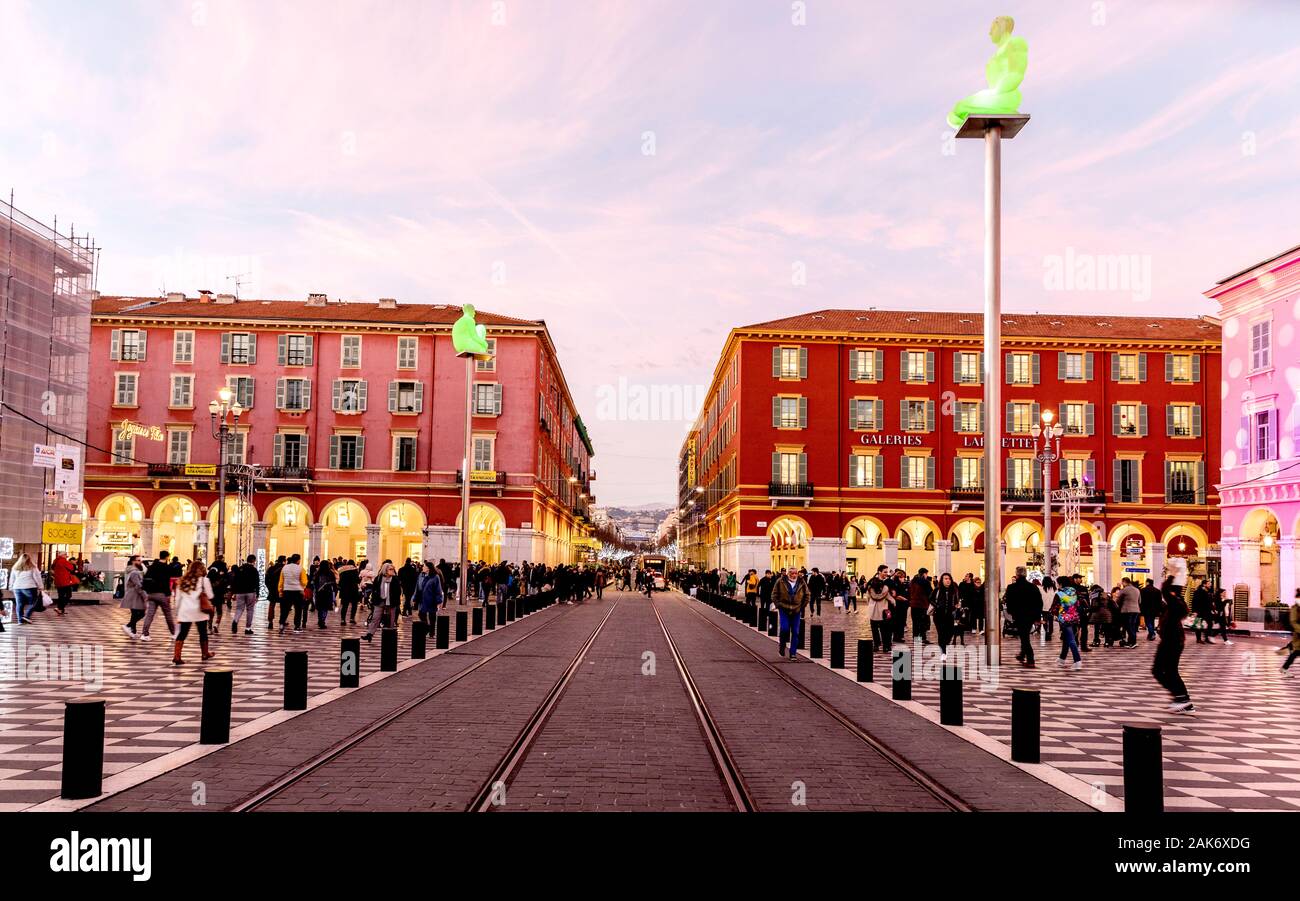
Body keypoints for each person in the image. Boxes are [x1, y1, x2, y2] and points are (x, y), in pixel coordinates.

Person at [1153, 577, 1194, 713]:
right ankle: (1181, 699)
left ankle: (1182, 699)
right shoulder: (1176, 604)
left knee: (1164, 671)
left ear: (1172, 593)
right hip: (1170, 641)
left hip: (1172, 642)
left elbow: (1164, 590)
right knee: (1165, 671)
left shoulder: (1176, 603)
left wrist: (1171, 575)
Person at [172, 560, 216, 666]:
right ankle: (205, 653)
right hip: (199, 611)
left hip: (185, 611)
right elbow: (210, 596)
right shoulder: (204, 580)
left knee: (183, 633)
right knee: (202, 632)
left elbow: (178, 599)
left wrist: (177, 613)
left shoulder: (182, 580)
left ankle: (177, 656)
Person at [772, 565, 809, 659]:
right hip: (784, 609)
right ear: (788, 573)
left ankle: (793, 653)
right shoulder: (780, 581)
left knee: (795, 632)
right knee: (784, 629)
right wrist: (778, 605)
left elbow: (807, 594)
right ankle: (782, 646)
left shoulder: (801, 582)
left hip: (796, 610)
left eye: (795, 573)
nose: (794, 575)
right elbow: (774, 594)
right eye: (792, 573)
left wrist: (802, 606)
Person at [140, 550, 178, 641]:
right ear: (167, 557)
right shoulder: (166, 568)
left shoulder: (152, 566)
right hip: (162, 594)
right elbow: (166, 583)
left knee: (150, 614)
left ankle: (144, 634)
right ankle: (174, 633)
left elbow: (146, 579)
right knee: (168, 614)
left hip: (151, 594)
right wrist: (168, 595)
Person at [1005, 566, 1040, 667]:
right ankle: (1022, 654)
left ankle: (1031, 660)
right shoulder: (1033, 587)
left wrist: (1012, 612)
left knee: (1024, 637)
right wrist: (1037, 617)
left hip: (1019, 616)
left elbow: (1009, 602)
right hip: (1030, 616)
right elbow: (1039, 603)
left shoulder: (1011, 587)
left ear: (1017, 575)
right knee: (1024, 635)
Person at [361, 561, 400, 641]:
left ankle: (389, 635)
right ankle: (370, 634)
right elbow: (374, 589)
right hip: (380, 601)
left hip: (391, 602)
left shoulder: (395, 579)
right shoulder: (379, 578)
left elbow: (398, 591)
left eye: (393, 569)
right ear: (385, 570)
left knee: (391, 619)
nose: (392, 571)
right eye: (390, 569)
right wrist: (373, 599)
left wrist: (395, 600)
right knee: (375, 618)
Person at [1054, 579, 1083, 670]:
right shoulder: (1075, 593)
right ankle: (1062, 658)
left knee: (1071, 640)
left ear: (1061, 584)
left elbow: (1054, 607)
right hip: (1075, 618)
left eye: (1058, 584)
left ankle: (1077, 661)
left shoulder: (1059, 594)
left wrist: (1055, 614)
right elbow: (1078, 605)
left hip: (1064, 619)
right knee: (1067, 638)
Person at [228, 554, 260, 635]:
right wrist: (258, 593)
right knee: (250, 610)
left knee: (239, 609)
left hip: (240, 592)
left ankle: (235, 621)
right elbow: (257, 582)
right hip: (250, 592)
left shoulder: (240, 569)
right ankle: (248, 628)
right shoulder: (254, 570)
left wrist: (234, 592)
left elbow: (235, 581)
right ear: (253, 561)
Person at [278, 553, 308, 634]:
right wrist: (302, 587)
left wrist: (280, 591)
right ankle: (297, 626)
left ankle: (281, 624)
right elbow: (304, 582)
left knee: (285, 609)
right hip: (298, 592)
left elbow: (281, 581)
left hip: (286, 591)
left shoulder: (284, 568)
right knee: (298, 610)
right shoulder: (301, 569)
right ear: (298, 560)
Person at [118, 555, 147, 638]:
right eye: (138, 560)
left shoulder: (133, 570)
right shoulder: (134, 572)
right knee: (141, 613)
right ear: (133, 561)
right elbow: (139, 585)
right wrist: (145, 596)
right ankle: (128, 626)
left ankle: (133, 631)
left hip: (133, 595)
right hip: (134, 595)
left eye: (140, 560)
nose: (140, 562)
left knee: (135, 613)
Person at [932, 573, 959, 660]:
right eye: (946, 579)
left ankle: (945, 645)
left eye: (949, 579)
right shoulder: (938, 590)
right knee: (941, 633)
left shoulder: (954, 590)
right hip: (938, 616)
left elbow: (956, 601)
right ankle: (943, 652)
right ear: (942, 580)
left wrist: (956, 605)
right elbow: (930, 599)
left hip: (950, 616)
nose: (948, 580)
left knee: (950, 633)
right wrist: (937, 605)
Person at [10, 552, 42, 624]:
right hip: (29, 587)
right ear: (29, 559)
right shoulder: (33, 567)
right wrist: (40, 586)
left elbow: (12, 578)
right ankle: (27, 616)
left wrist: (11, 586)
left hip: (17, 588)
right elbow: (37, 577)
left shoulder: (15, 567)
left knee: (19, 604)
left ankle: (20, 621)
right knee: (34, 602)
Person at [865, 572, 893, 654]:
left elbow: (868, 598)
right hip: (883, 611)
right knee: (884, 630)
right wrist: (894, 602)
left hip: (873, 611)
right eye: (885, 571)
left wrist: (871, 604)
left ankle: (876, 645)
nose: (886, 573)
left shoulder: (871, 588)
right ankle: (885, 646)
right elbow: (890, 599)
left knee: (874, 630)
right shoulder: (885, 588)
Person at [416, 561, 444, 629]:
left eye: (424, 566)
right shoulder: (422, 575)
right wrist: (415, 598)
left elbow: (438, 590)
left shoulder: (435, 577)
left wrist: (438, 601)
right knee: (421, 614)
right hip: (423, 599)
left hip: (432, 599)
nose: (423, 567)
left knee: (432, 616)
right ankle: (427, 628)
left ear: (428, 568)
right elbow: (418, 587)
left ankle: (432, 631)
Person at [908, 568, 932, 646]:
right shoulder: (925, 582)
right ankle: (923, 638)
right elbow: (930, 593)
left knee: (915, 622)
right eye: (926, 574)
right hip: (922, 604)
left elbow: (909, 592)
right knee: (922, 622)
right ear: (924, 573)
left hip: (914, 604)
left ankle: (917, 639)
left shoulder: (912, 581)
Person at [51, 551, 79, 615]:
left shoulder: (55, 561)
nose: (66, 556)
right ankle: (60, 608)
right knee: (69, 595)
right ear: (63, 555)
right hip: (64, 581)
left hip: (58, 581)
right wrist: (72, 563)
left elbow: (52, 569)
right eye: (66, 555)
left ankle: (61, 610)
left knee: (61, 595)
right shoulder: (63, 561)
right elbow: (72, 568)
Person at [1118, 577, 1142, 648]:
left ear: (1125, 582)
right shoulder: (1137, 590)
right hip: (1136, 610)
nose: (1122, 584)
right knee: (1133, 626)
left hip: (1127, 610)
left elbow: (1118, 600)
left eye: (1122, 582)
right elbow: (1140, 601)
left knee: (1128, 626)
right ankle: (1131, 641)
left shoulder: (1124, 590)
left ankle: (1132, 642)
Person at [313, 559, 337, 629]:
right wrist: (335, 591)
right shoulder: (330, 573)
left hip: (319, 592)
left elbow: (315, 582)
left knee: (320, 607)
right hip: (327, 592)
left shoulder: (317, 573)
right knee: (325, 607)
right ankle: (322, 620)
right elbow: (334, 583)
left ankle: (320, 620)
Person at [1281, 589, 1300, 674]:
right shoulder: (1295, 608)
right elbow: (1293, 621)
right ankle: (1284, 668)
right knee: (1297, 652)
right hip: (1298, 633)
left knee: (1297, 652)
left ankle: (1284, 668)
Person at [1191, 578, 1215, 644]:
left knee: (1210, 623)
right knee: (1198, 625)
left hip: (1207, 611)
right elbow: (1194, 602)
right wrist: (1194, 611)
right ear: (1204, 584)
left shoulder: (1209, 591)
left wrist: (1213, 609)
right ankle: (1198, 639)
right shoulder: (1198, 591)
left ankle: (1206, 637)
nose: (1211, 585)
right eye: (1209, 584)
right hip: (1199, 611)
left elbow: (1210, 602)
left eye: (1210, 584)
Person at [337, 559, 361, 625]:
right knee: (354, 605)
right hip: (353, 590)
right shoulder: (354, 570)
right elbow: (357, 580)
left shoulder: (342, 570)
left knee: (344, 605)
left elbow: (340, 581)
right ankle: (352, 618)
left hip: (344, 590)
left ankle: (343, 619)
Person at [264, 555, 284, 630]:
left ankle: (270, 621)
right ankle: (282, 621)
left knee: (271, 605)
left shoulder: (271, 568)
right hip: (282, 590)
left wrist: (269, 588)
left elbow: (266, 580)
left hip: (272, 590)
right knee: (283, 606)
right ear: (284, 561)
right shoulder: (284, 568)